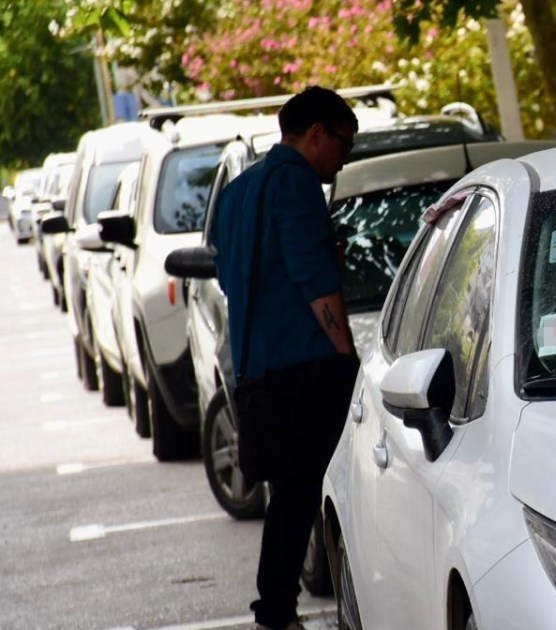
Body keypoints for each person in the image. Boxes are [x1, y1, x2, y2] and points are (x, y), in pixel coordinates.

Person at [210, 86, 359, 630]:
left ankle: (276, 609)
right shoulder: (295, 183)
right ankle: (277, 612)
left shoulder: (238, 191)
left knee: (289, 499)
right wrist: (347, 356)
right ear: (317, 133)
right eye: (344, 145)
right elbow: (313, 278)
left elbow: (230, 278)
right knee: (326, 490)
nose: (344, 158)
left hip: (258, 370)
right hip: (306, 369)